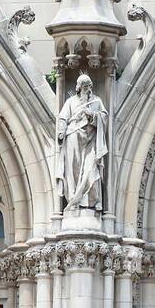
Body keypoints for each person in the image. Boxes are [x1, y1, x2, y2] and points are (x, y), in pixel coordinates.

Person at [56, 73, 108, 211]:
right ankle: (74, 201)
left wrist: (92, 114)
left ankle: (92, 201)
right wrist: (61, 131)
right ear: (78, 87)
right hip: (73, 138)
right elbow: (62, 118)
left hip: (90, 141)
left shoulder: (96, 101)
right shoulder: (71, 102)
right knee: (72, 171)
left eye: (89, 86)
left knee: (91, 170)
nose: (87, 89)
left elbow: (104, 118)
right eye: (85, 86)